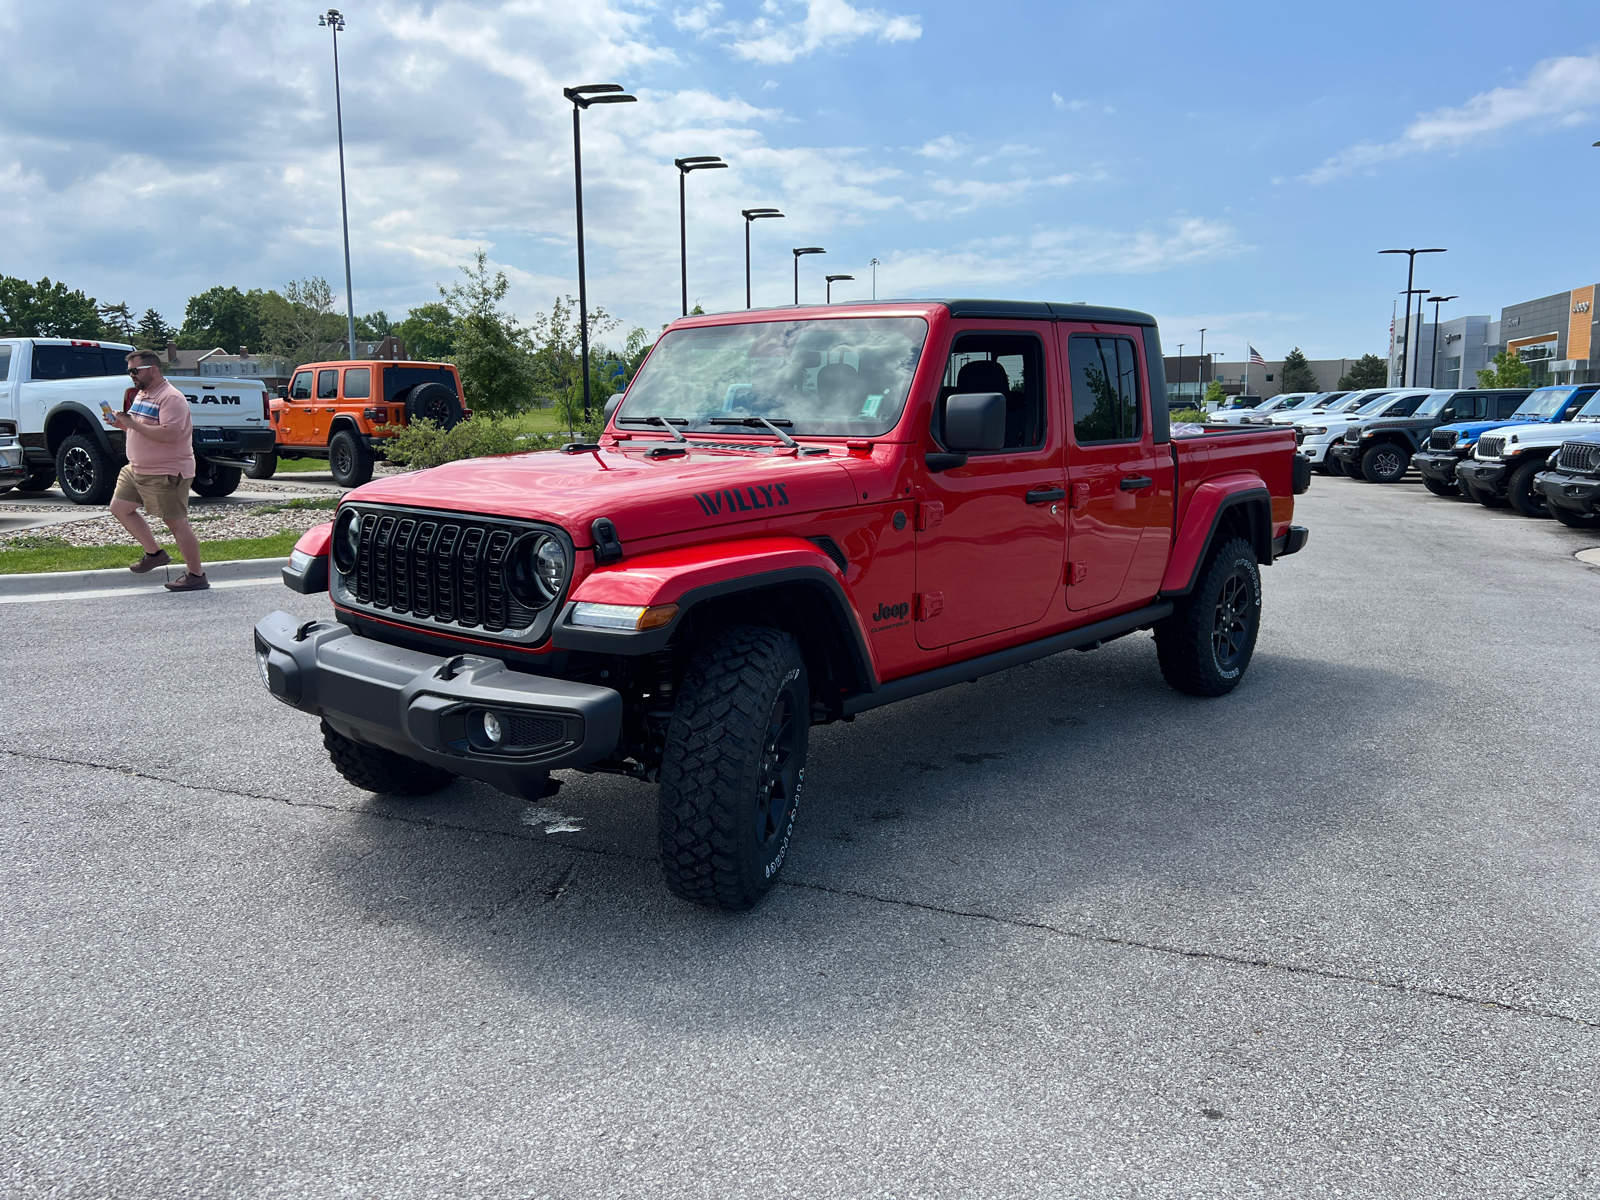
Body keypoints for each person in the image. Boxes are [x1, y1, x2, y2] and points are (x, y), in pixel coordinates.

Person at [107, 350, 208, 591]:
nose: (132, 375)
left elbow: (170, 434)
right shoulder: (143, 394)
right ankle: (154, 554)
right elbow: (140, 428)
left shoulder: (171, 398)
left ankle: (197, 575)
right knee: (120, 508)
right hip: (137, 469)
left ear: (153, 369)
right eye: (129, 371)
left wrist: (131, 424)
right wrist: (123, 424)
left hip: (167, 471)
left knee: (176, 523)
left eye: (135, 370)